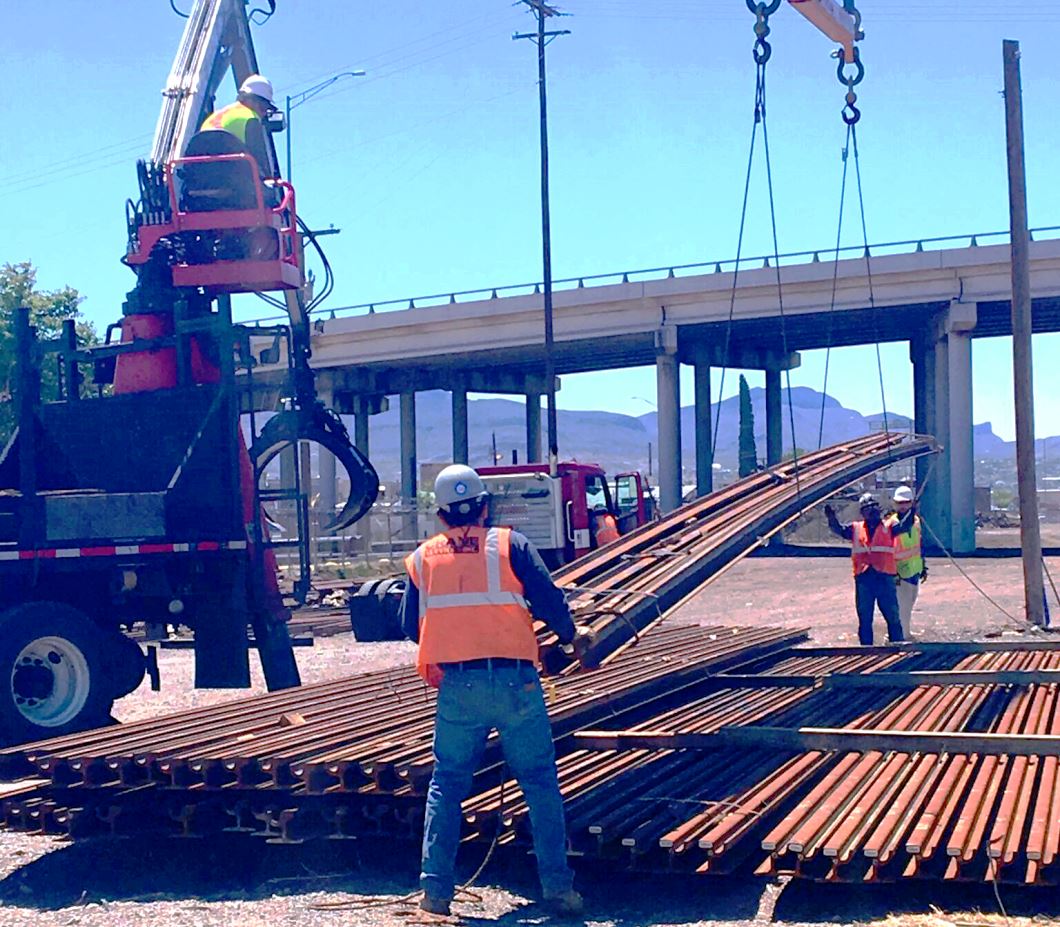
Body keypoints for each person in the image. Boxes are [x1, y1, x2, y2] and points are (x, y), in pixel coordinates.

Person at [400, 464, 588, 918]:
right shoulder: (510, 545)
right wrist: (571, 636)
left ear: (441, 514)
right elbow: (549, 600)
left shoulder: (423, 559)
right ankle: (558, 890)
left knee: (447, 785)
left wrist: (455, 639)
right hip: (515, 681)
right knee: (539, 782)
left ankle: (435, 895)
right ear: (485, 507)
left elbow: (409, 624)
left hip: (459, 686)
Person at [824, 493, 905, 645]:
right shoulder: (856, 528)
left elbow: (905, 526)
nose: (872, 512)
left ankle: (898, 647)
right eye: (868, 509)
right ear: (863, 513)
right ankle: (866, 649)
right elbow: (839, 530)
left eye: (874, 508)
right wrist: (831, 517)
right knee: (865, 618)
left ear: (879, 510)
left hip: (884, 578)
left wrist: (911, 511)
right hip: (864, 579)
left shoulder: (889, 527)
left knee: (892, 616)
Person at [199, 74, 276, 179]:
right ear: (250, 99)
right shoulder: (250, 119)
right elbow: (260, 162)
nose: (264, 113)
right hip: (230, 181)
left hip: (198, 179)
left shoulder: (213, 117)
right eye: (263, 107)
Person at [888, 485, 927, 639]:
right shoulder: (891, 524)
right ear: (894, 504)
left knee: (909, 605)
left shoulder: (916, 521)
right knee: (902, 607)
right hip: (900, 573)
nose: (903, 506)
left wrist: (923, 565)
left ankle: (905, 633)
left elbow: (919, 544)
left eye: (906, 502)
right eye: (900, 503)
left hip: (914, 570)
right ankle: (902, 637)